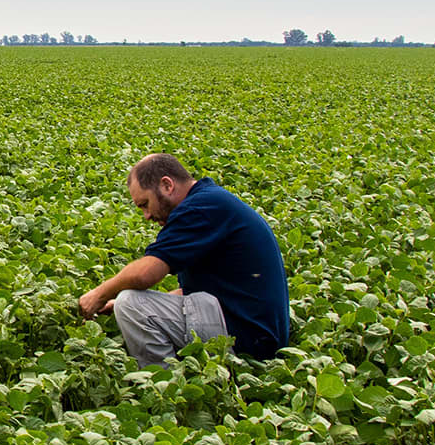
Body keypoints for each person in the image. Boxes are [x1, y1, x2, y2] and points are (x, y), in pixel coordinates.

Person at [77, 154, 291, 365]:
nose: (147, 216)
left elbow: (146, 273)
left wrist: (99, 294)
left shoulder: (200, 208)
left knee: (130, 305)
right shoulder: (210, 200)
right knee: (127, 304)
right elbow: (191, 291)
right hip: (256, 330)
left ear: (167, 185)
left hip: (249, 337)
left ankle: (165, 384)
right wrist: (118, 305)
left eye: (145, 204)